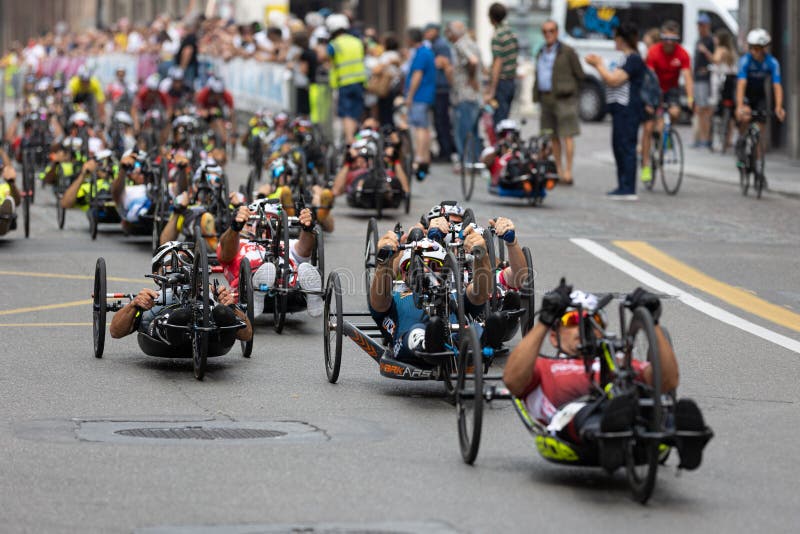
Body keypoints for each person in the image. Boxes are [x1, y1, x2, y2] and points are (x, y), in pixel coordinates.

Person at [503, 281, 707, 469]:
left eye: (594, 320)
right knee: (597, 413)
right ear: (554, 338)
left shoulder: (620, 362)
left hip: (630, 405)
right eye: (572, 320)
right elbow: (512, 381)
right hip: (576, 415)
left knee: (651, 404)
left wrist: (652, 322)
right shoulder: (543, 365)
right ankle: (612, 429)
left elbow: (667, 381)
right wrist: (545, 320)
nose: (584, 326)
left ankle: (680, 430)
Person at [368, 221, 496, 367]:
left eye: (434, 265)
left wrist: (481, 255)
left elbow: (481, 293)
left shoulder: (454, 293)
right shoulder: (395, 297)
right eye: (416, 266)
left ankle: (481, 341)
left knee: (475, 329)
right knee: (418, 332)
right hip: (410, 341)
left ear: (445, 272)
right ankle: (429, 343)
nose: (426, 270)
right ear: (404, 274)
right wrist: (384, 262)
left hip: (455, 339)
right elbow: (378, 303)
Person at [109, 242, 252, 356]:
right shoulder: (151, 298)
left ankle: (221, 329)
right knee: (177, 316)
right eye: (171, 261)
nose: (181, 266)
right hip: (163, 333)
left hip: (211, 333)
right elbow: (115, 332)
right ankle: (175, 327)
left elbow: (247, 335)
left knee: (221, 312)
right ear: (156, 272)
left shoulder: (212, 293)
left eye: (186, 261)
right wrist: (134, 305)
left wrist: (231, 307)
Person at [217, 201, 324, 317]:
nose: (265, 226)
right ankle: (259, 288)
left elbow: (304, 249)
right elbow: (225, 254)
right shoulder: (238, 243)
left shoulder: (286, 243)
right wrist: (235, 228)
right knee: (262, 272)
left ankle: (310, 291)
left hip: (290, 290)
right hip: (248, 289)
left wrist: (307, 229)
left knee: (302, 269)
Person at [586, 22, 645, 200]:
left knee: (626, 147)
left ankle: (628, 187)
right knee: (618, 146)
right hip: (619, 110)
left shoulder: (633, 59)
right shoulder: (623, 58)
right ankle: (622, 184)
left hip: (628, 109)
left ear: (621, 39)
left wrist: (598, 65)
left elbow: (613, 80)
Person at [640, 20, 692, 184]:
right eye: (666, 38)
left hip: (671, 89)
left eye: (673, 39)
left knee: (675, 112)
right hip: (654, 88)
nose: (669, 43)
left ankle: (666, 134)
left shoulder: (682, 54)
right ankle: (646, 165)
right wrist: (648, 102)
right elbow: (649, 78)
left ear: (677, 40)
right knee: (648, 127)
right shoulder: (653, 52)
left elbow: (687, 77)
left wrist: (691, 98)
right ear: (661, 38)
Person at [533, 20, 584, 185]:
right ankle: (559, 170)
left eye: (551, 31)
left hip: (565, 99)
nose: (548, 34)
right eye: (545, 31)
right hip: (546, 98)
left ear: (557, 32)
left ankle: (568, 171)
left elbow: (580, 75)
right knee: (552, 136)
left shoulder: (567, 51)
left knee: (567, 135)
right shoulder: (540, 51)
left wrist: (572, 92)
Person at [735, 28, 785, 167]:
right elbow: (741, 84)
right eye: (752, 48)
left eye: (758, 48)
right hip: (745, 94)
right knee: (745, 116)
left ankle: (756, 164)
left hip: (759, 95)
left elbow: (777, 85)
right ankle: (741, 141)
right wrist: (739, 106)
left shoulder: (772, 62)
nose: (755, 52)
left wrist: (779, 107)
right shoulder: (745, 61)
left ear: (764, 48)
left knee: (759, 131)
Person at [324, 13, 367, 144]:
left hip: (344, 83)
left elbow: (328, 62)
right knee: (356, 112)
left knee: (346, 113)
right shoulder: (357, 41)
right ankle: (354, 137)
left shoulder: (334, 45)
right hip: (360, 81)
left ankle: (349, 140)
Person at [446, 21, 482, 174]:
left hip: (464, 94)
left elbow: (473, 61)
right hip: (473, 95)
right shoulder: (471, 42)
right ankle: (474, 163)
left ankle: (466, 163)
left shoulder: (460, 45)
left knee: (463, 132)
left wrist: (471, 77)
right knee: (473, 132)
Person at [405, 27, 436, 182]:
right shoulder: (427, 51)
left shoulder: (420, 53)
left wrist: (410, 95)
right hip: (426, 94)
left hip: (420, 95)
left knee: (420, 128)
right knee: (424, 127)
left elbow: (417, 75)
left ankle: (420, 157)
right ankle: (425, 157)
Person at [424, 23, 455, 164]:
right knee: (439, 121)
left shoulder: (440, 45)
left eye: (428, 31)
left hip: (441, 89)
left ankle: (446, 151)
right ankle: (444, 150)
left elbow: (443, 63)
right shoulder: (436, 44)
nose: (426, 34)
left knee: (442, 121)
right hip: (438, 88)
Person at [486, 2, 518, 125]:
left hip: (502, 82)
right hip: (511, 81)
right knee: (505, 119)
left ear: (491, 17)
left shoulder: (497, 35)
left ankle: (500, 144)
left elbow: (498, 62)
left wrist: (492, 89)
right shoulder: (511, 33)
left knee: (499, 122)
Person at [692, 14, 715, 149]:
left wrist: (705, 51)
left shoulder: (710, 41)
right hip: (697, 78)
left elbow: (714, 60)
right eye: (699, 25)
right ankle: (700, 138)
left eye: (702, 25)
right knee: (699, 109)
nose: (700, 27)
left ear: (707, 26)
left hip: (705, 79)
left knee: (704, 109)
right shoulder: (698, 40)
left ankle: (705, 139)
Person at [0, 150, 20, 236]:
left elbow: (17, 201)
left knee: (9, 200)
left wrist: (11, 182)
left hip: (3, 211)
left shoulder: (6, 182)